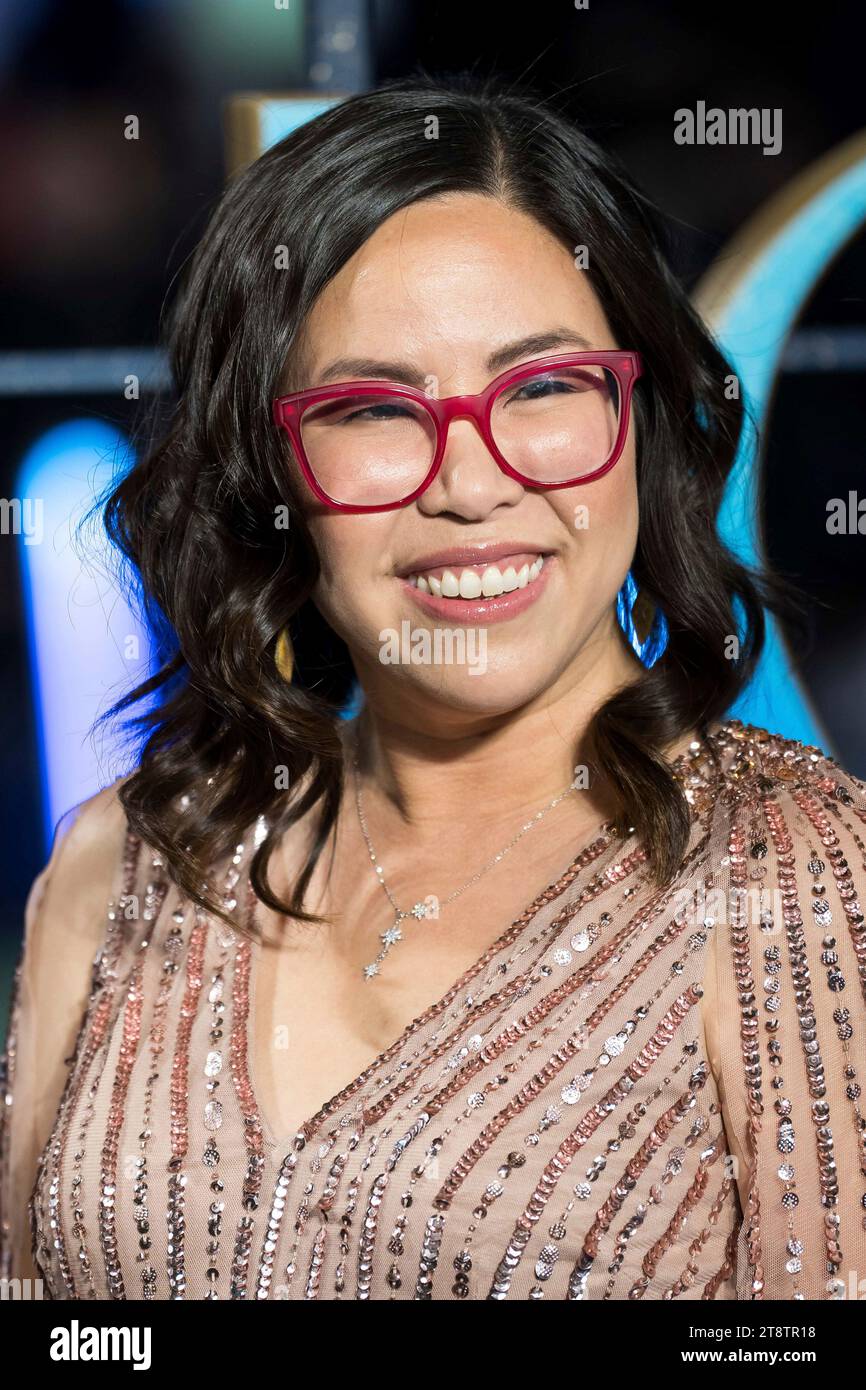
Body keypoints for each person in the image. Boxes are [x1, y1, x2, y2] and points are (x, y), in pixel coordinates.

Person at [2, 72, 865, 1302]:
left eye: (545, 388)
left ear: (644, 419)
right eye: (373, 407)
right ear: (269, 467)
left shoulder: (793, 879)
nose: (469, 484)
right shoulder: (128, 862)